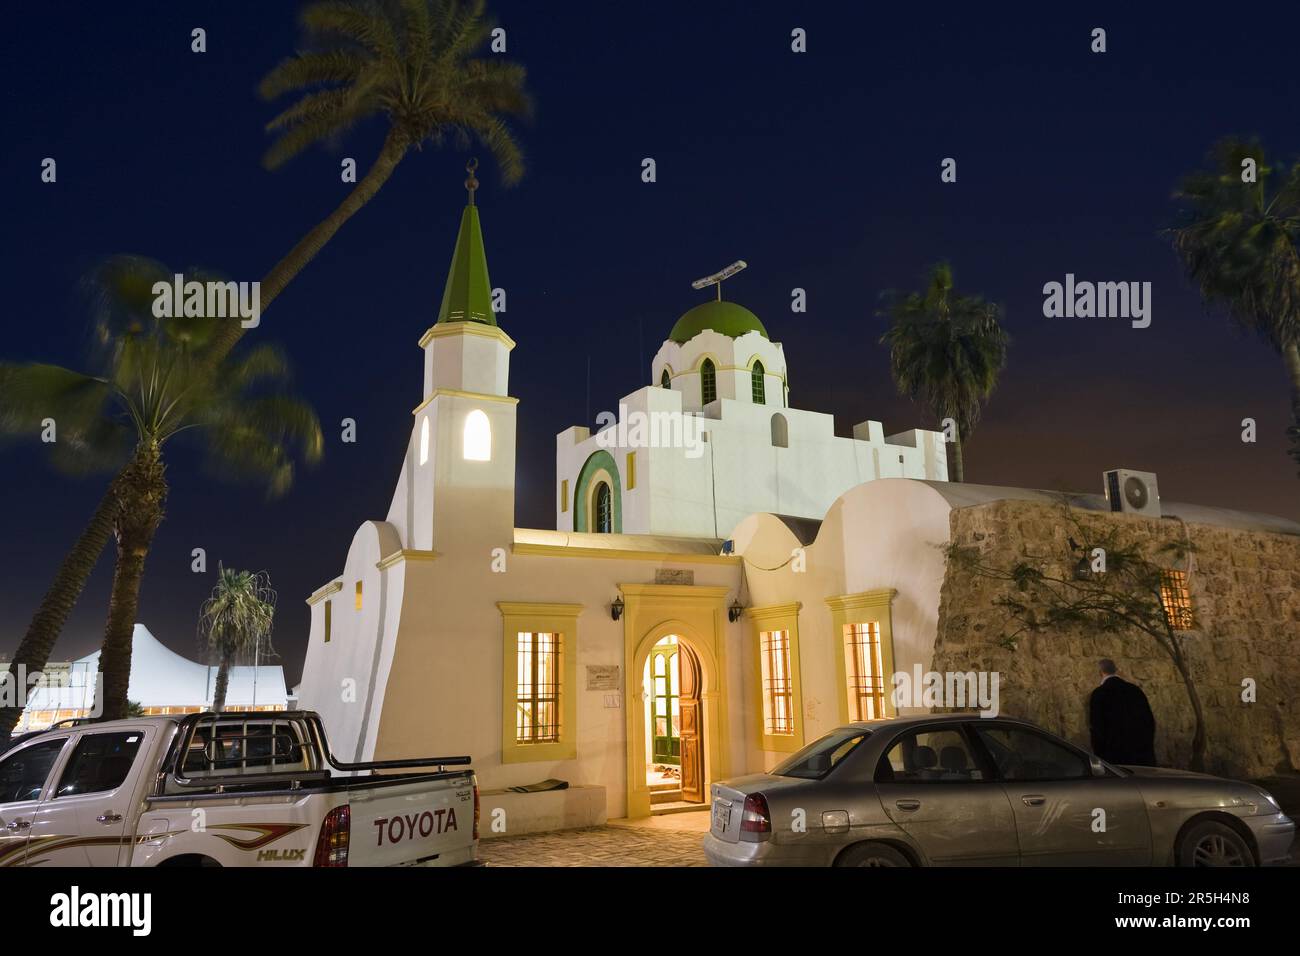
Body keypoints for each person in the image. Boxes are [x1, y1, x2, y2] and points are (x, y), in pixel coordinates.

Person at [1088, 659, 1157, 766]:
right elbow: (1149, 722)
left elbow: (1097, 727)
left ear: (1100, 672)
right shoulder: (1135, 690)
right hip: (1141, 755)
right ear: (1115, 670)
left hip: (1114, 757)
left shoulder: (1099, 694)